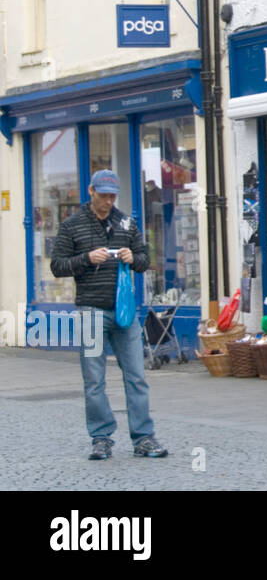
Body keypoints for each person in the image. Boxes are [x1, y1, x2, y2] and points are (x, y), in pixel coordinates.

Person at [50, 169, 168, 460]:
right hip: (90, 310)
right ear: (91, 191)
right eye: (103, 196)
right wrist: (87, 258)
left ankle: (144, 438)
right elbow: (57, 266)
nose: (108, 202)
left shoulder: (126, 222)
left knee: (137, 376)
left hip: (124, 311)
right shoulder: (72, 225)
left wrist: (133, 257)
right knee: (94, 380)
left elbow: (145, 260)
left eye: (112, 197)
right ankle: (101, 438)